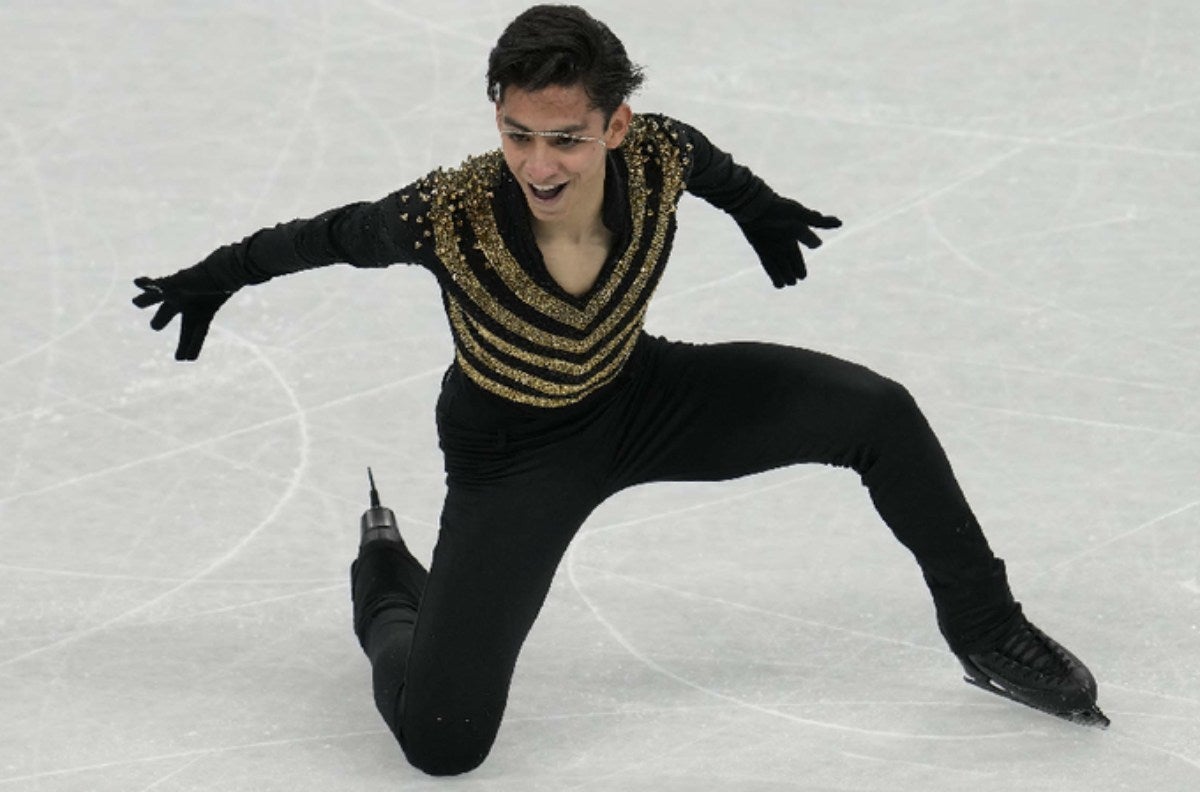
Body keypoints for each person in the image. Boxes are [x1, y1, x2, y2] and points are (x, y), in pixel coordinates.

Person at [132, 4, 1108, 777]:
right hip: (514, 456)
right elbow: (321, 237)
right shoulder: (448, 213)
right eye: (517, 135)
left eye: (564, 138)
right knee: (442, 746)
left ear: (616, 124)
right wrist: (209, 280)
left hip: (643, 396)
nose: (539, 164)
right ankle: (389, 591)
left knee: (876, 413)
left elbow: (715, 169)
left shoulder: (661, 153)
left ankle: (990, 633)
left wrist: (765, 217)